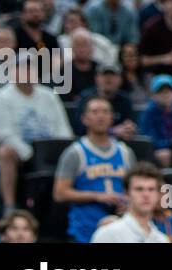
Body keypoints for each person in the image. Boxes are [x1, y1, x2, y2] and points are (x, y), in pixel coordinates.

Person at [53, 96, 136, 242]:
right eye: (95, 112)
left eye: (105, 112)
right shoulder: (75, 152)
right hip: (85, 230)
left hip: (121, 229)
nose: (101, 116)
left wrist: (128, 203)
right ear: (85, 119)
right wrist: (98, 196)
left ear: (112, 118)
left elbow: (136, 188)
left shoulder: (125, 152)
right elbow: (60, 193)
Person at [0, 74, 74, 211]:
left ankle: (70, 202)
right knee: (4, 152)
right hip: (21, 153)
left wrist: (59, 149)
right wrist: (28, 152)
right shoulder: (1, 97)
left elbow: (63, 129)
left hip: (49, 150)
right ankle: (9, 206)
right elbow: (2, 134)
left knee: (76, 150)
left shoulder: (49, 95)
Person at [90, 163, 171, 243]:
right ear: (127, 194)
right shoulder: (107, 234)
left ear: (158, 194)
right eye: (139, 189)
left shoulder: (162, 240)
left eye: (151, 189)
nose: (146, 195)